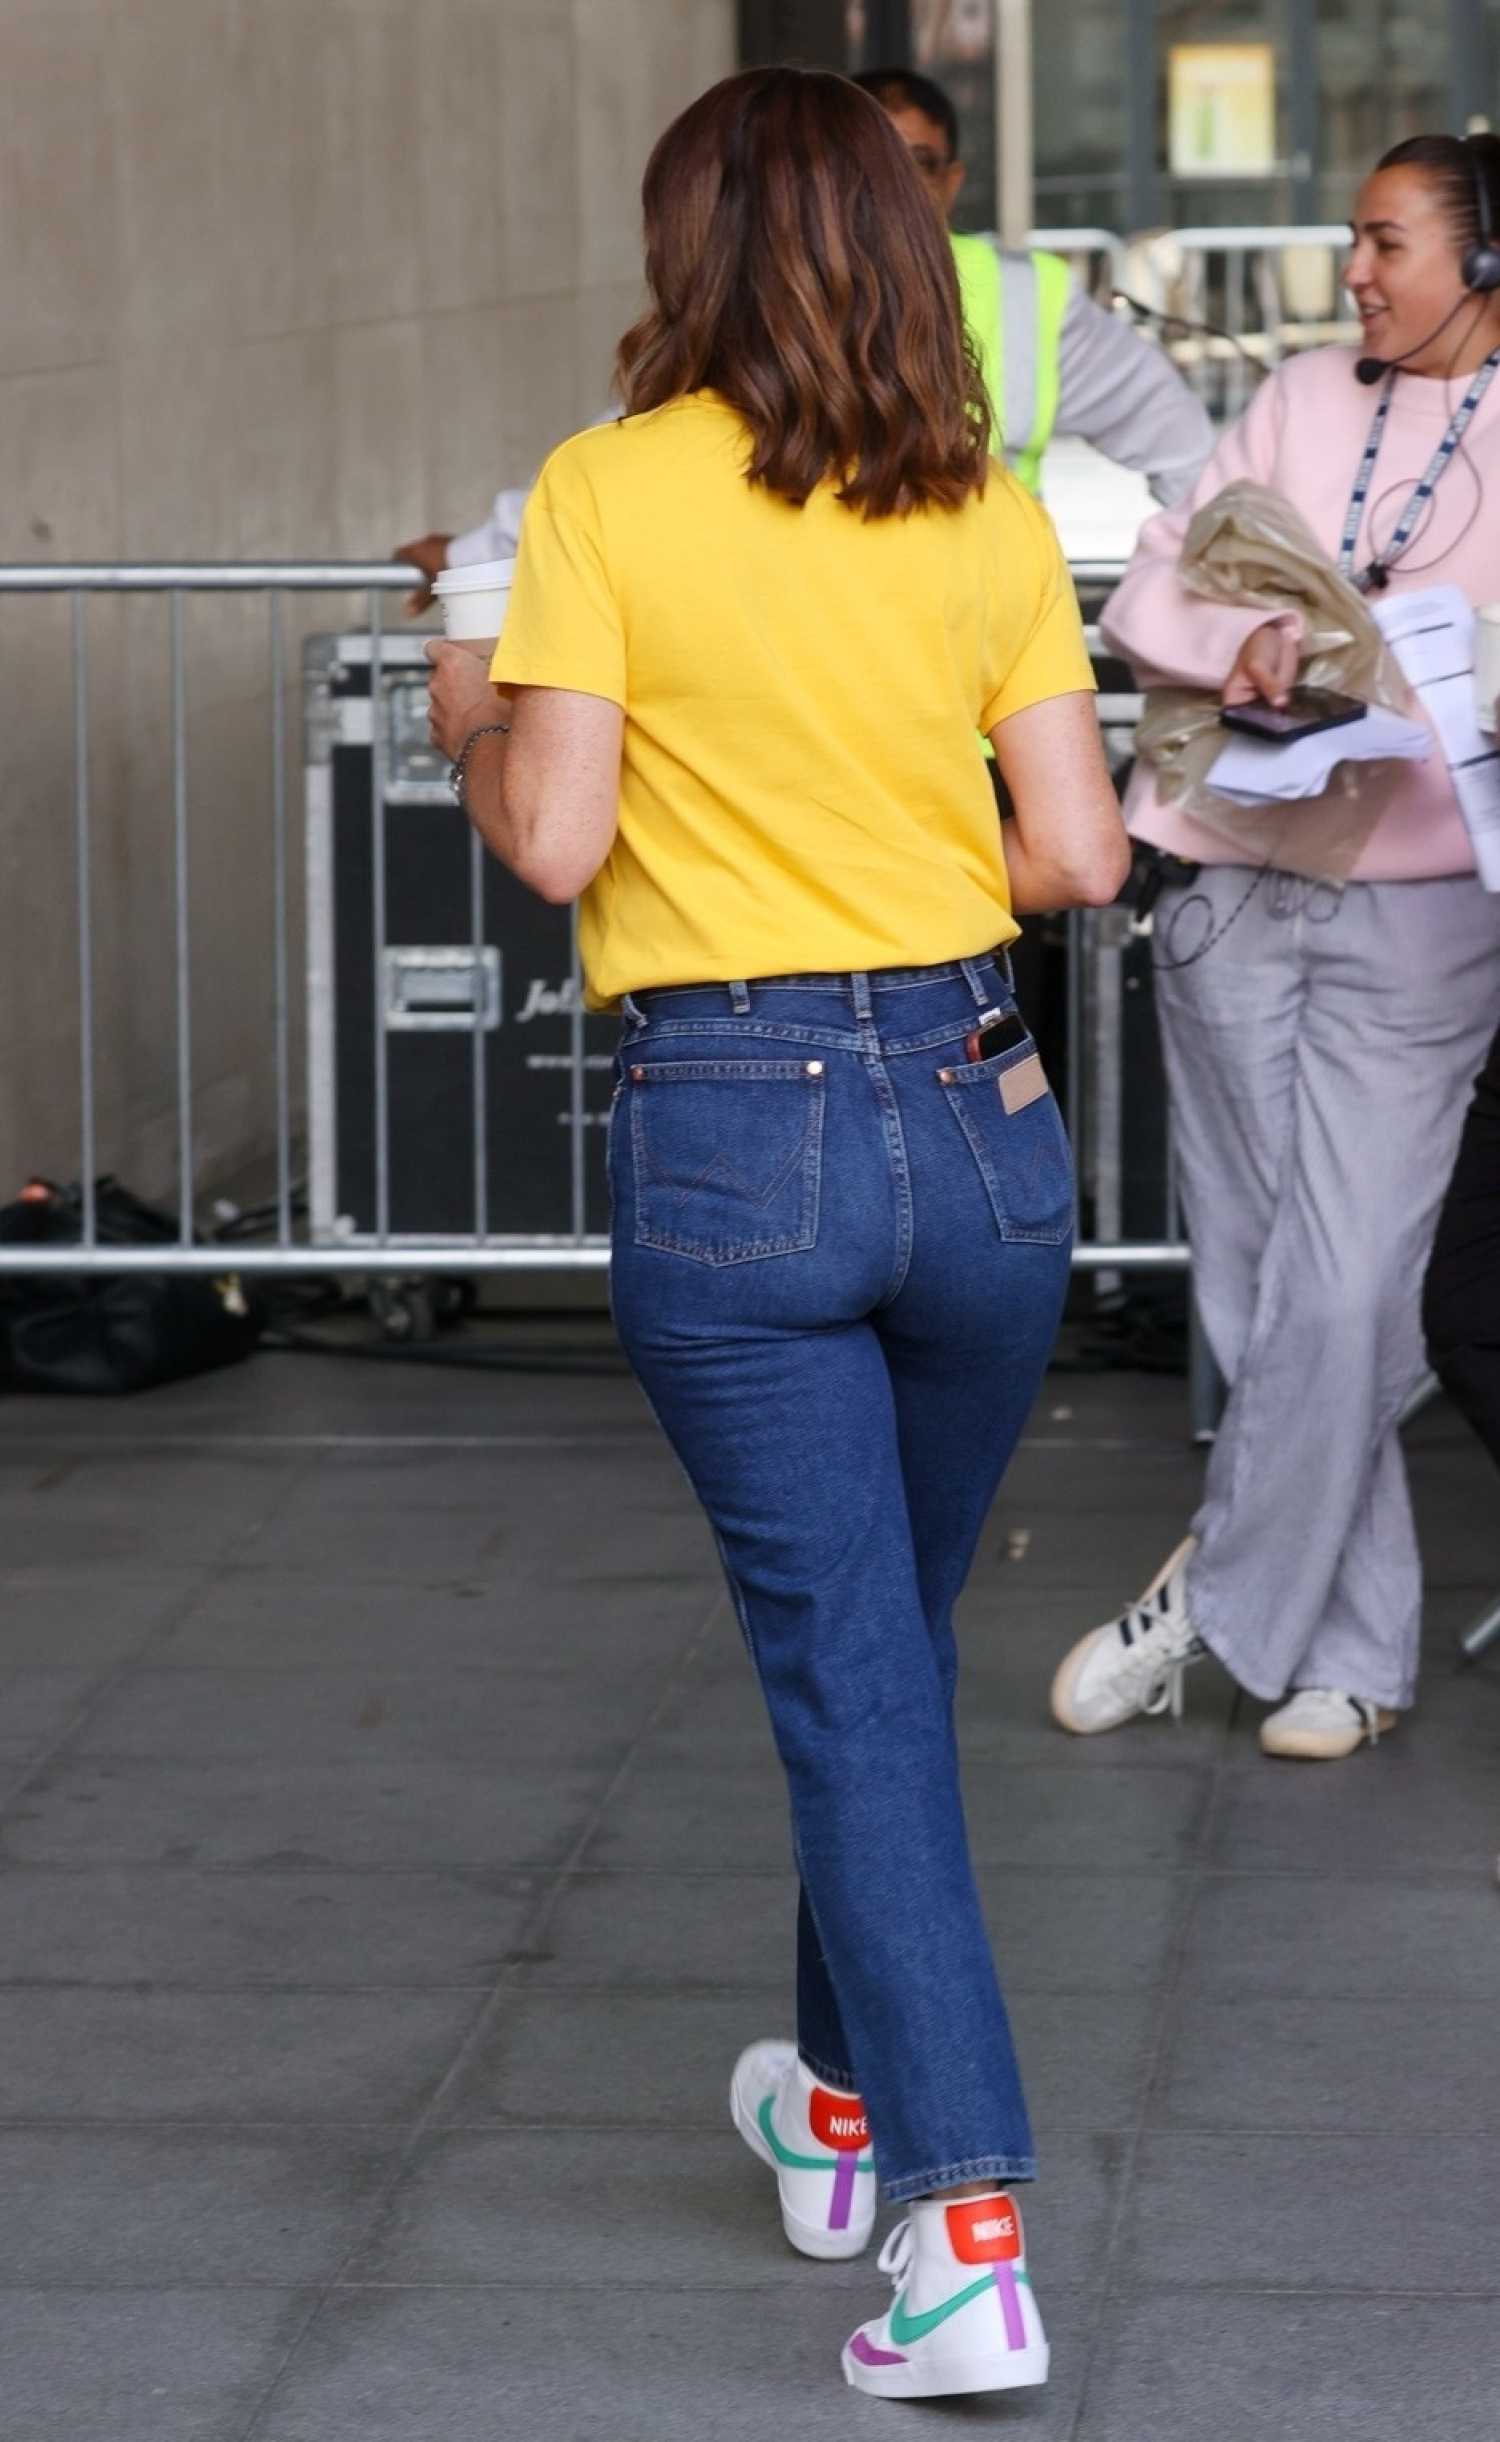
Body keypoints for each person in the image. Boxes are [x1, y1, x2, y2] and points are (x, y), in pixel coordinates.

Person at [427, 64, 1128, 2405]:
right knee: (888, 1648)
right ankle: (834, 2109)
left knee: (851, 1680)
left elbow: (551, 840)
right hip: (981, 1114)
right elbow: (1077, 859)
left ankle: (963, 2231)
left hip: (741, 1131)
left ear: (692, 254)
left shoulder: (604, 492)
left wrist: (460, 686)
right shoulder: (987, 509)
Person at [1049, 133, 1500, 1763]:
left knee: (1353, 1277)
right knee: (1249, 1277)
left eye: (1387, 243)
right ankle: (1353, 1652)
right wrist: (1233, 640)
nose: (1355, 273)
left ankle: (1211, 1599)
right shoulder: (1302, 397)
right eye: (1352, 241)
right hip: (1233, 871)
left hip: (1425, 907)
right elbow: (1159, 582)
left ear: (1487, 259)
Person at [853, 65, 1213, 505]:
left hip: (990, 572)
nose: (896, 185)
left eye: (920, 163)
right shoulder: (763, 284)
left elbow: (1185, 454)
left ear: (952, 181)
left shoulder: (1024, 293)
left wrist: (1167, 569)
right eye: (870, 162)